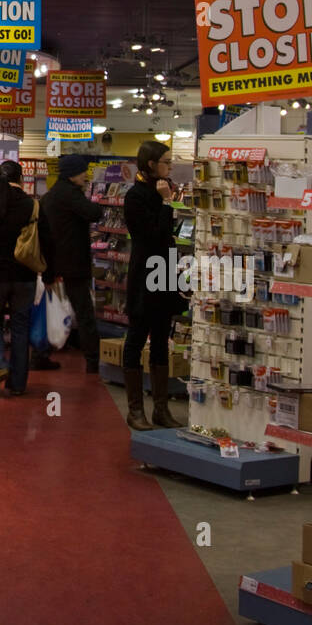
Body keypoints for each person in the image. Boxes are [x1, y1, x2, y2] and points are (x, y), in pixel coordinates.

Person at [122, 140, 185, 431]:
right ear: (151, 164)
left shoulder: (163, 191)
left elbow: (171, 234)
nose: (170, 167)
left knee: (161, 338)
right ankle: (135, 410)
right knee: (136, 338)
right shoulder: (136, 196)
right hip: (145, 273)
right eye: (166, 162)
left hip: (166, 270)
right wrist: (166, 202)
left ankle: (161, 408)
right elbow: (154, 235)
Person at [0, 160, 52, 397]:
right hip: (24, 273)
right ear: (21, 178)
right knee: (20, 326)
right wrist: (50, 272)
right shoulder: (31, 205)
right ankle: (18, 384)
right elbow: (46, 240)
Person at [41, 154, 104, 373]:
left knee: (48, 309)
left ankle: (41, 352)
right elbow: (95, 212)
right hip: (73, 262)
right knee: (84, 312)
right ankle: (93, 361)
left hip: (52, 260)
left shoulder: (49, 196)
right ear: (71, 174)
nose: (85, 176)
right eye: (81, 172)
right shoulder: (70, 194)